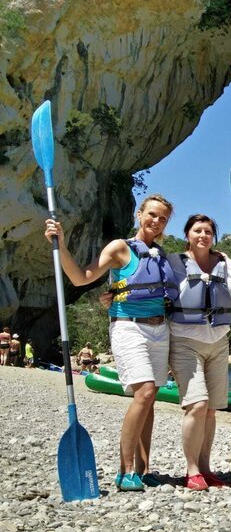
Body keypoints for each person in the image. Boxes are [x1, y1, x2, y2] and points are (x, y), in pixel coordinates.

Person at [46, 194, 177, 491]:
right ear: (139, 214)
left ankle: (143, 469)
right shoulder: (120, 248)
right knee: (143, 393)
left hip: (160, 330)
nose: (156, 222)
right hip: (129, 328)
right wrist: (62, 246)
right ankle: (124, 470)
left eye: (163, 218)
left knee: (150, 399)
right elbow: (82, 277)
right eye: (152, 215)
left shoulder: (160, 254)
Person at [165, 214, 231, 491]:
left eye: (208, 231)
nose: (202, 235)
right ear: (187, 235)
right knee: (197, 405)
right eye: (197, 230)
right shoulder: (173, 263)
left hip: (218, 343)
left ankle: (206, 469)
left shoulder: (226, 264)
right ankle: (191, 470)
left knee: (212, 410)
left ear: (213, 236)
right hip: (184, 341)